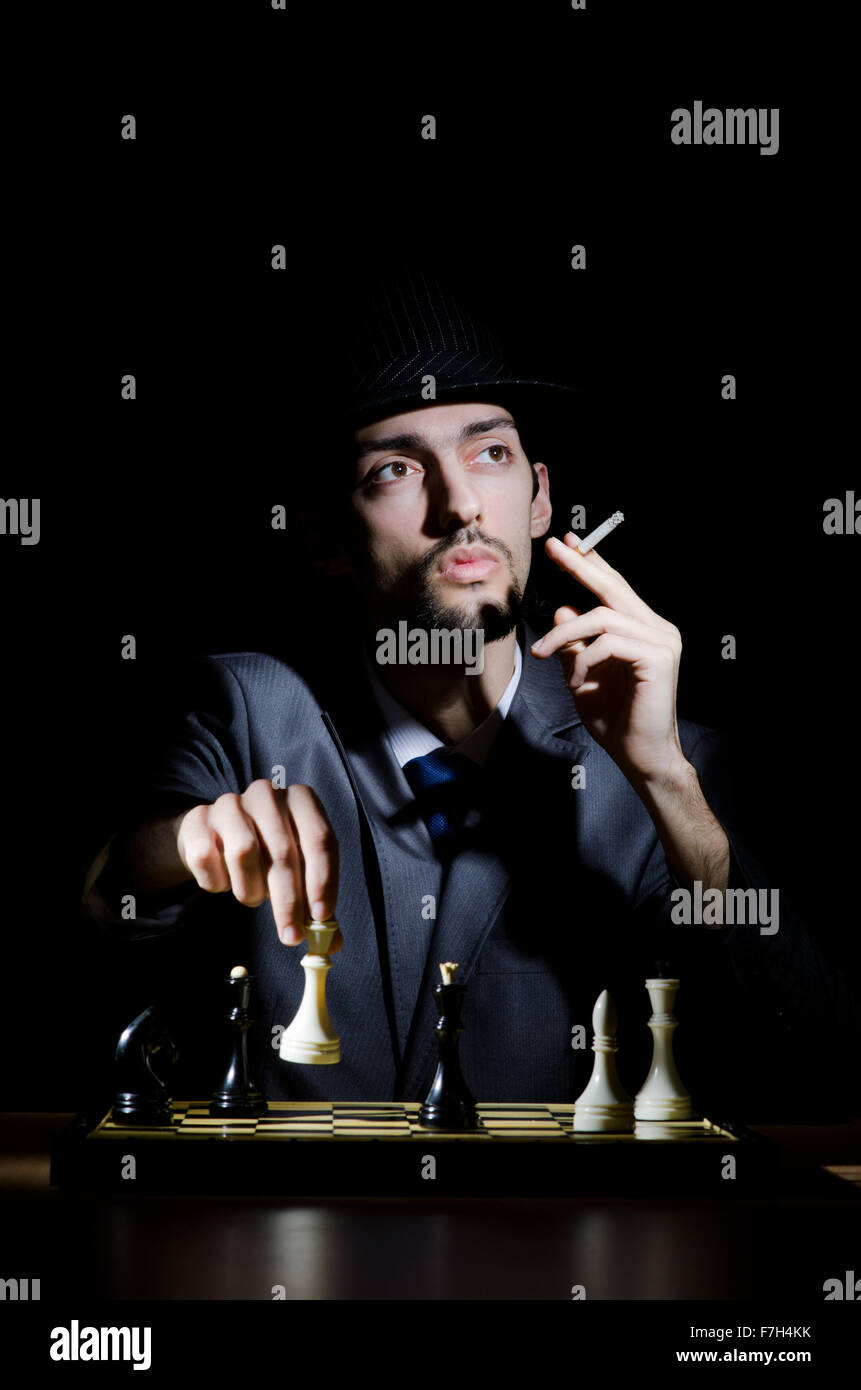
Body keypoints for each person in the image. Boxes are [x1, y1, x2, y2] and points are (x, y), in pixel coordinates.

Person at [83, 270, 857, 1116]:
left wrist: (668, 785)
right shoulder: (246, 706)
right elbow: (108, 903)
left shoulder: (672, 759)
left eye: (490, 454)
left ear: (538, 499)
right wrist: (186, 842)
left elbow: (809, 1049)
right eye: (393, 470)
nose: (459, 507)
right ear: (325, 540)